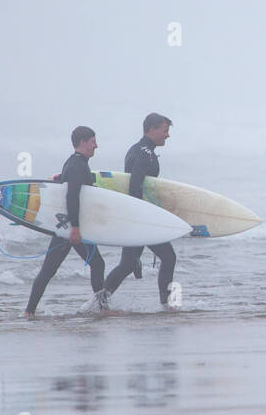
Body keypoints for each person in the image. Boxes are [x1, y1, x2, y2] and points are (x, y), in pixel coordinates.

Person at [23, 126, 107, 316]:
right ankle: (102, 309)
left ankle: (29, 311)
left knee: (49, 270)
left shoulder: (75, 163)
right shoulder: (77, 165)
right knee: (96, 263)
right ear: (83, 142)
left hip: (65, 225)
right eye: (93, 142)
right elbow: (72, 197)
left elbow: (70, 185)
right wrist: (75, 228)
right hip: (70, 226)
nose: (96, 145)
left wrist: (60, 178)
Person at [102, 113, 178, 307]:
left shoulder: (139, 149)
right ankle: (167, 304)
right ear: (152, 130)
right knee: (168, 258)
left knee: (127, 264)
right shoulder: (145, 154)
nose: (167, 135)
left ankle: (100, 301)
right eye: (165, 131)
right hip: (139, 218)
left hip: (134, 216)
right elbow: (135, 186)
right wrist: (142, 219)